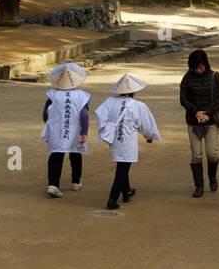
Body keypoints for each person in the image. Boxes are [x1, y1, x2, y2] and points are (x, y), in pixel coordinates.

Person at [94, 73, 161, 211]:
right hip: (128, 141)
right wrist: (148, 136)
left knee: (122, 164)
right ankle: (112, 199)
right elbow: (146, 124)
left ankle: (126, 192)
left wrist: (106, 129)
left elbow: (100, 115)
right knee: (122, 168)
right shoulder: (138, 105)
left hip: (115, 139)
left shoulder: (109, 101)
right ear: (133, 91)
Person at [179, 48, 219, 196]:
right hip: (193, 121)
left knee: (212, 153)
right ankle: (199, 185)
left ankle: (212, 177)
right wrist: (196, 112)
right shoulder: (187, 78)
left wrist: (207, 112)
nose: (199, 70)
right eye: (196, 67)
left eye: (201, 66)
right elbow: (184, 99)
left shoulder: (214, 76)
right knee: (196, 155)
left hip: (210, 120)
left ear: (206, 64)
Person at [41, 62, 89, 198]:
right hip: (75, 129)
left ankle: (53, 184)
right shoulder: (81, 96)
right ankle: (75, 181)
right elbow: (84, 115)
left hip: (57, 129)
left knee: (56, 154)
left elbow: (45, 113)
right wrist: (84, 132)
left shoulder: (53, 95)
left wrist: (49, 125)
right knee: (75, 153)